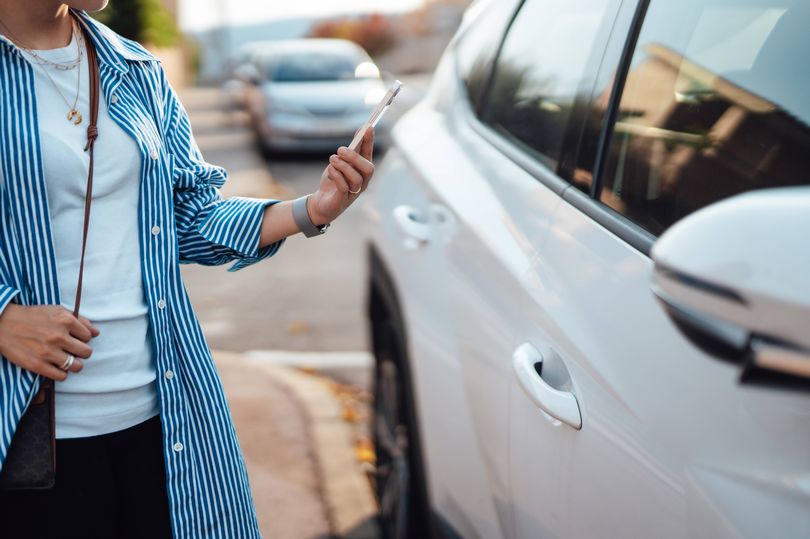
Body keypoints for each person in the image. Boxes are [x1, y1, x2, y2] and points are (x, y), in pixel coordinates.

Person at [0, 1, 375, 537]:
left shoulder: (136, 70)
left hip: (164, 413)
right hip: (24, 429)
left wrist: (310, 210)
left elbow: (189, 214)